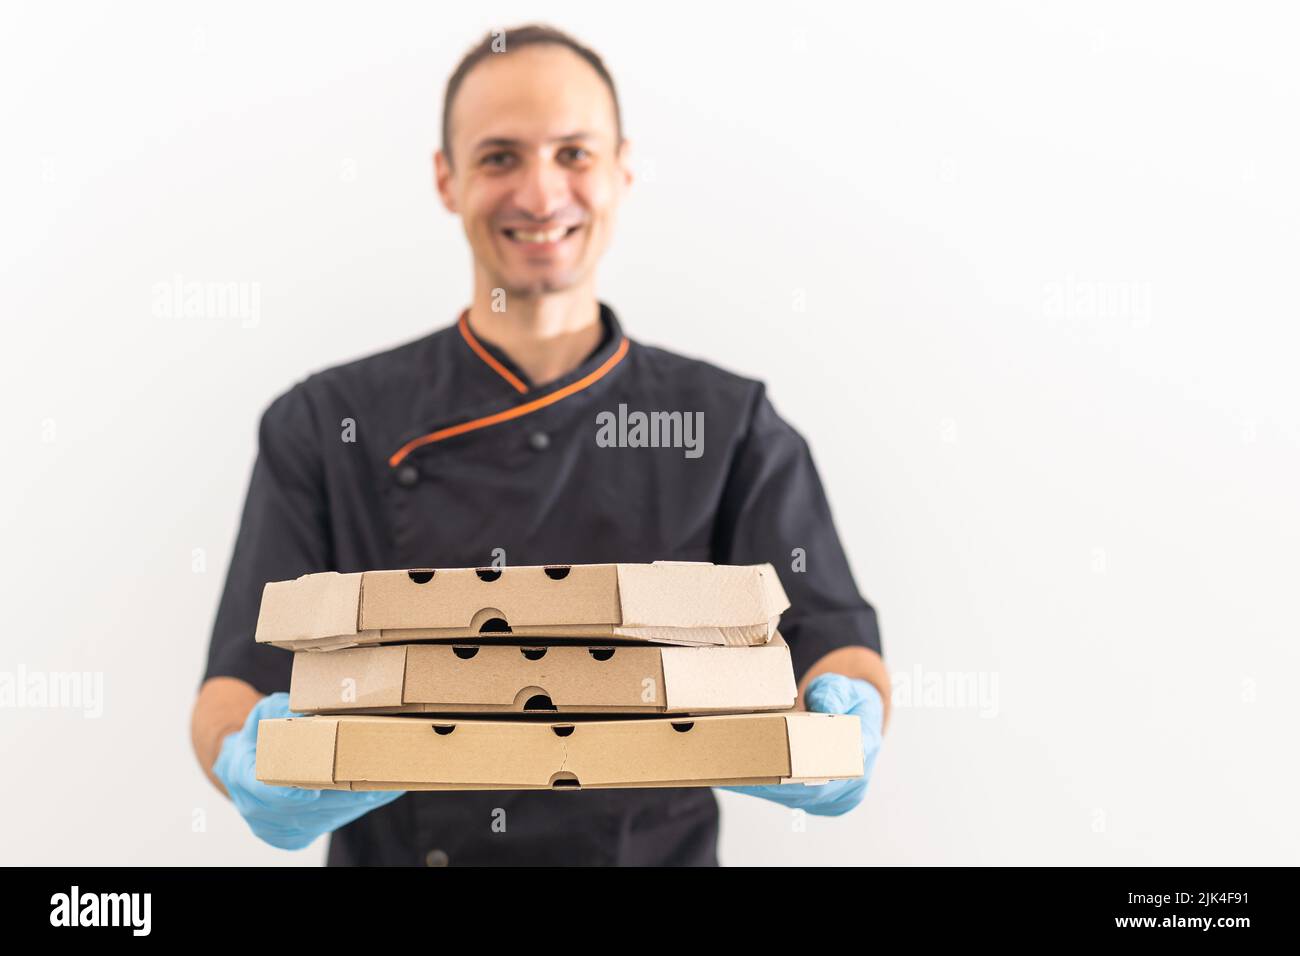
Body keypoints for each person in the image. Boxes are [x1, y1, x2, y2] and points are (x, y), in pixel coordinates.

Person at [190, 23, 891, 866]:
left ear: (624, 168)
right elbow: (233, 685)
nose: (540, 192)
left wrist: (845, 716)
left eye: (573, 153)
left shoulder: (730, 421)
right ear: (446, 179)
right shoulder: (324, 420)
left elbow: (836, 641)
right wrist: (248, 762)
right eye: (499, 158)